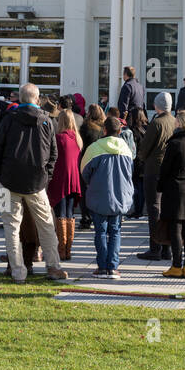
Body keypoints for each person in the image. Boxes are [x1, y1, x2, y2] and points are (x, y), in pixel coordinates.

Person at [0, 81, 68, 283]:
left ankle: (18, 271)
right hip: (36, 182)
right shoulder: (46, 121)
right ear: (37, 99)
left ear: (21, 98)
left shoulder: (9, 119)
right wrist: (46, 176)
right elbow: (53, 154)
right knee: (46, 226)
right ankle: (53, 266)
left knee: (11, 228)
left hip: (9, 181)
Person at [81, 117, 135, 279]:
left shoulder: (94, 148)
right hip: (119, 196)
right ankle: (113, 267)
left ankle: (102, 267)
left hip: (99, 195)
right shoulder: (126, 149)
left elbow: (84, 171)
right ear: (119, 131)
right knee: (115, 231)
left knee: (101, 232)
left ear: (104, 130)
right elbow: (129, 172)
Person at [159, 111, 185, 279]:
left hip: (174, 188)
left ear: (179, 123)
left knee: (175, 229)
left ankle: (177, 265)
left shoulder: (175, 143)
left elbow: (165, 169)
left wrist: (160, 186)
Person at [134, 92, 176, 261]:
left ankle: (155, 247)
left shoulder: (156, 123)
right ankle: (166, 248)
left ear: (157, 105)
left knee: (154, 209)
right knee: (167, 209)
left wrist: (141, 159)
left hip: (154, 169)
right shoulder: (174, 121)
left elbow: (145, 147)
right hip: (170, 170)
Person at [47, 109, 83, 261]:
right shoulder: (77, 138)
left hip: (61, 178)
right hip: (74, 178)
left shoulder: (59, 138)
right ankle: (68, 249)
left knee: (61, 214)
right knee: (69, 214)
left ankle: (61, 249)